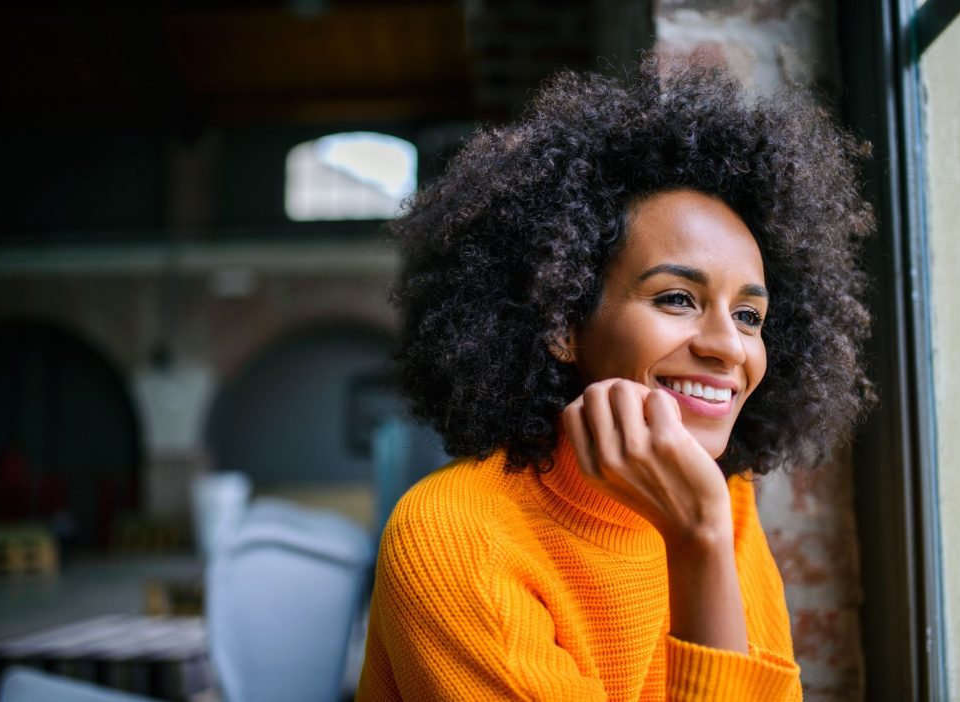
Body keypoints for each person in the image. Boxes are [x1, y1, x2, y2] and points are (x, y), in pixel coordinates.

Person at [356, 57, 875, 701]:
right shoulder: (453, 534)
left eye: (748, 315)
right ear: (562, 322)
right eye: (677, 299)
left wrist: (704, 536)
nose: (726, 347)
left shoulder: (722, 504)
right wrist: (697, 545)